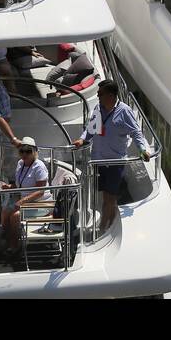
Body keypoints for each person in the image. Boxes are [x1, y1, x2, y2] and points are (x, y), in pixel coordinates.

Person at [73, 80, 150, 230]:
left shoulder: (125, 111)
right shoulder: (98, 108)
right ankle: (107, 227)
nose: (97, 95)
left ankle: (104, 228)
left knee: (111, 198)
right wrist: (82, 140)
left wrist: (142, 149)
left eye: (100, 93)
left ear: (110, 95)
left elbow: (136, 132)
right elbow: (91, 130)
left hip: (115, 163)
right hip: (99, 161)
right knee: (106, 197)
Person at [0, 136, 51, 256]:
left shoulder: (39, 166)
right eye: (22, 151)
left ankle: (15, 246)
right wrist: (9, 186)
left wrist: (22, 201)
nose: (25, 154)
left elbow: (40, 191)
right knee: (5, 212)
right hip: (26, 202)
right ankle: (9, 241)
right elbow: (20, 185)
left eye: (28, 151)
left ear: (34, 152)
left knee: (15, 216)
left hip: (41, 204)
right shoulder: (20, 164)